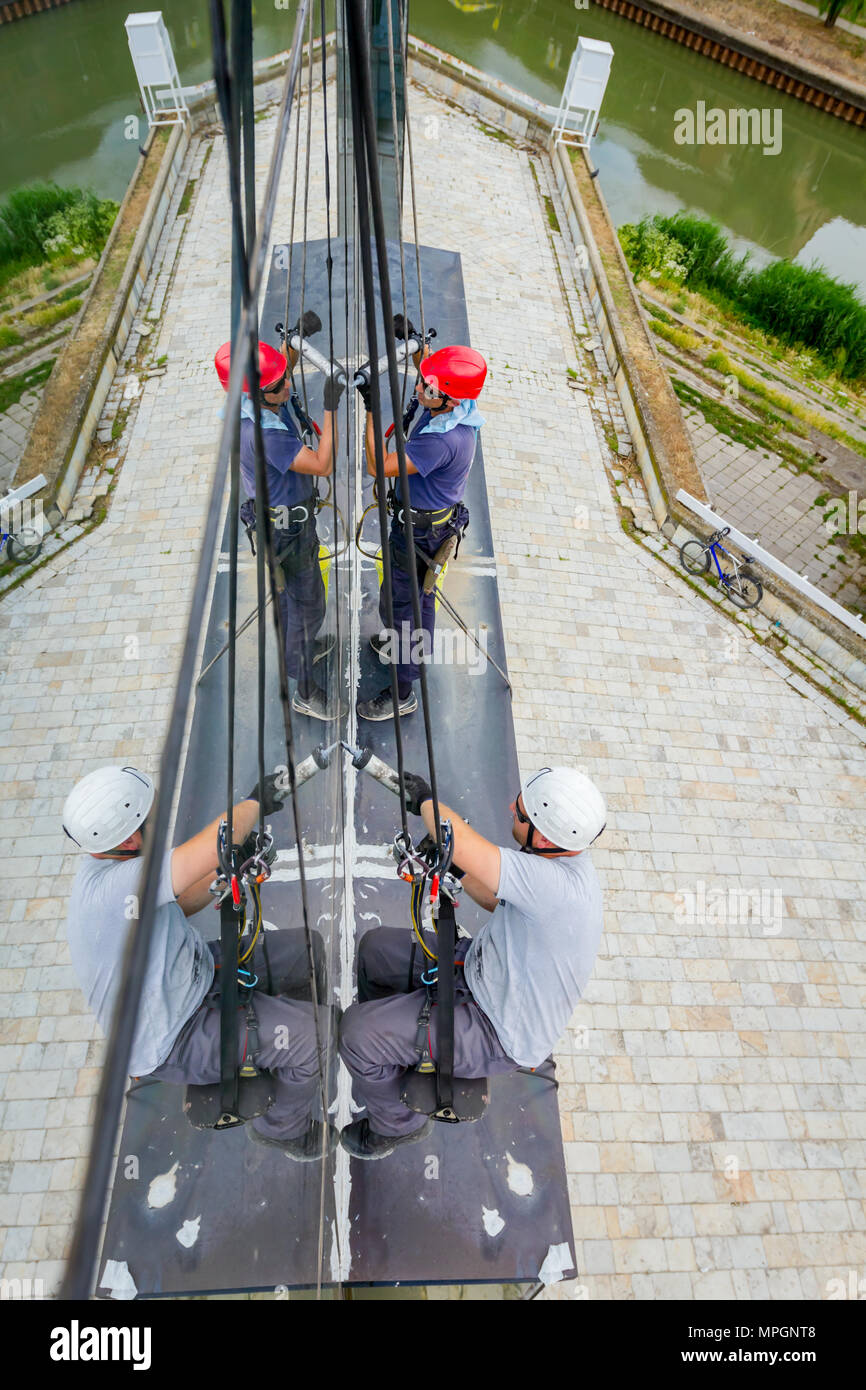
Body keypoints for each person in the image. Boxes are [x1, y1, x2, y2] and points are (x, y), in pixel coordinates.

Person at [63, 765, 334, 1161]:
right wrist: (257, 801)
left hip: (194, 972)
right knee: (319, 1037)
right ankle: (282, 1129)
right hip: (174, 1035)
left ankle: (279, 1050)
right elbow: (213, 843)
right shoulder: (120, 884)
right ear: (131, 838)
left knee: (308, 950)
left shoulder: (111, 869)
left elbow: (180, 904)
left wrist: (228, 868)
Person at [338, 766, 606, 1158]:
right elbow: (497, 899)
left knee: (356, 1034)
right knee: (375, 950)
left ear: (545, 837)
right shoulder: (559, 862)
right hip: (480, 967)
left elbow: (459, 840)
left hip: (496, 1027)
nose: (511, 808)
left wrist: (425, 799)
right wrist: (455, 867)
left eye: (521, 812)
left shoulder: (554, 885)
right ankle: (394, 1051)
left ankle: (397, 1125)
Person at [356, 322, 486, 721]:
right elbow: (432, 377)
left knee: (405, 609)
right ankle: (403, 650)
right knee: (411, 599)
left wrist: (371, 409)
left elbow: (378, 465)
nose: (418, 389)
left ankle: (402, 691)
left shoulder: (441, 441)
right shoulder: (455, 407)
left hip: (419, 537)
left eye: (427, 388)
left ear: (448, 399)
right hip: (426, 529)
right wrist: (419, 349)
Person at [214, 319, 344, 721]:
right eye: (279, 386)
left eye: (285, 378)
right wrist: (330, 407)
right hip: (287, 532)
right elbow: (322, 464)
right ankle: (304, 689)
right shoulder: (266, 435)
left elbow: (274, 374)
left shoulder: (256, 398)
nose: (288, 386)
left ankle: (296, 651)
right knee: (308, 608)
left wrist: (292, 343)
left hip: (280, 522)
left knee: (293, 600)